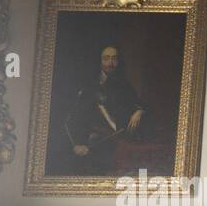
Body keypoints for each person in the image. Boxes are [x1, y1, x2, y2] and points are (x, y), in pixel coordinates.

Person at [61, 45, 145, 176]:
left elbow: (136, 102)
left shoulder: (123, 83)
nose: (110, 63)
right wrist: (77, 144)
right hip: (93, 142)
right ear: (100, 61)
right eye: (106, 59)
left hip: (116, 138)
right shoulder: (89, 85)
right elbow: (74, 118)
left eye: (114, 59)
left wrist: (139, 111)